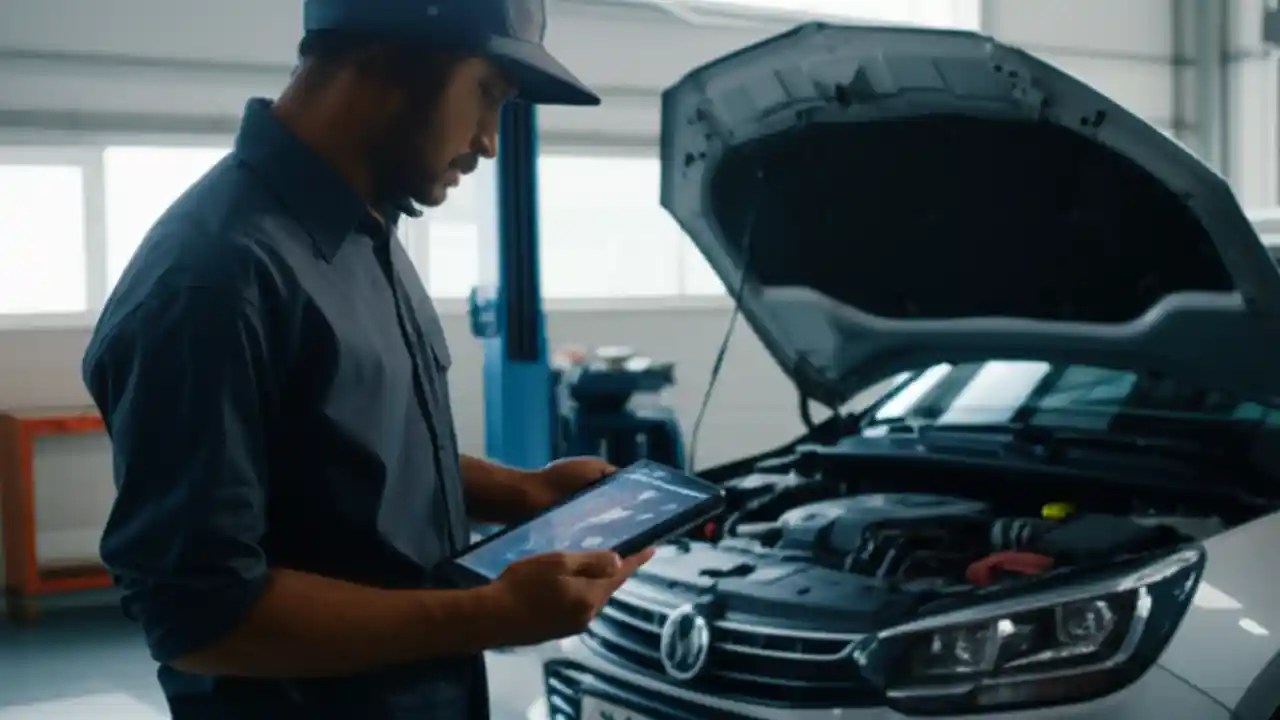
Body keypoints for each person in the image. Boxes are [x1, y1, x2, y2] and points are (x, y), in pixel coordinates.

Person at [80, 0, 654, 717]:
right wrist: (492, 614)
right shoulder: (213, 278)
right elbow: (200, 615)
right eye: (486, 95)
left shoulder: (365, 227)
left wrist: (521, 491)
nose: (488, 142)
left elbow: (344, 449)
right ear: (389, 54)